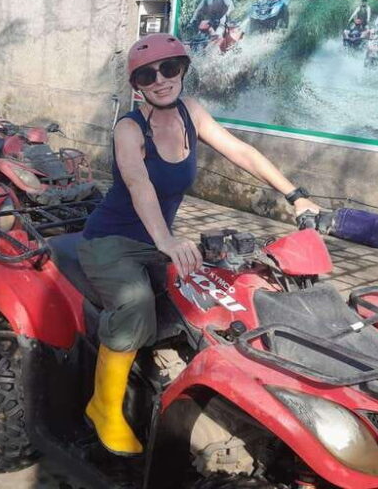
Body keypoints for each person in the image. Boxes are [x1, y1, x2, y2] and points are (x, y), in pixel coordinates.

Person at [78, 33, 320, 457]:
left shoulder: (191, 113)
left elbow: (241, 152)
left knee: (230, 291)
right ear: (137, 85)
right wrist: (167, 239)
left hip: (159, 241)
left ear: (182, 71)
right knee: (135, 305)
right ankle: (104, 408)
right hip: (113, 240)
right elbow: (139, 186)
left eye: (169, 69)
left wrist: (295, 195)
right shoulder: (129, 128)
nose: (160, 79)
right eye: (148, 74)